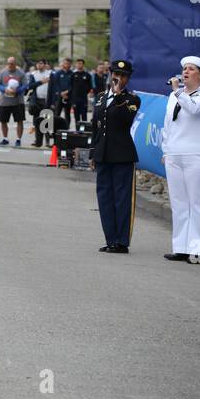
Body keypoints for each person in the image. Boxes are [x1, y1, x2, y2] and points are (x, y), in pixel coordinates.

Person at [161, 55, 200, 264]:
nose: (185, 71)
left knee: (198, 204)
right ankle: (181, 247)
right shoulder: (174, 96)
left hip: (199, 155)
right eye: (184, 68)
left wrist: (178, 91)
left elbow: (195, 110)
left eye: (191, 69)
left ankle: (197, 249)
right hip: (175, 155)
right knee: (179, 203)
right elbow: (168, 126)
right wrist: (166, 150)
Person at [90, 58, 140, 254]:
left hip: (122, 155)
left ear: (127, 79)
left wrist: (119, 96)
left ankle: (122, 241)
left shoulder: (131, 99)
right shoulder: (102, 97)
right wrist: (93, 153)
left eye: (123, 76)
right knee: (104, 198)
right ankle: (110, 239)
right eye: (115, 74)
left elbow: (127, 119)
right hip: (103, 154)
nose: (118, 78)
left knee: (122, 199)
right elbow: (96, 126)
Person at [0, 57, 26, 146]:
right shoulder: (3, 72)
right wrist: (4, 89)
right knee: (3, 121)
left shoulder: (20, 73)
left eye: (12, 63)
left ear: (15, 64)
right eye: (8, 63)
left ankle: (18, 139)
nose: (10, 65)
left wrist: (17, 90)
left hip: (18, 101)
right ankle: (5, 138)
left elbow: (25, 85)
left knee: (19, 121)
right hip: (4, 101)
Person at [27, 59, 53, 147]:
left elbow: (54, 86)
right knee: (37, 121)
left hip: (46, 100)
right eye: (37, 63)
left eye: (41, 63)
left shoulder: (50, 74)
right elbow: (30, 86)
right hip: (37, 100)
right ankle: (38, 141)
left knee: (47, 121)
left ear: (45, 65)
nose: (39, 65)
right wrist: (41, 82)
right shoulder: (34, 74)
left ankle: (47, 142)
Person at [69, 58, 93, 131]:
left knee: (84, 116)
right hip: (75, 99)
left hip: (83, 99)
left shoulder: (87, 75)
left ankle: (84, 132)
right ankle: (77, 131)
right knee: (76, 117)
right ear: (76, 65)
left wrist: (86, 92)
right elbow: (71, 86)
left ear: (83, 65)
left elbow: (90, 87)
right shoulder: (73, 75)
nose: (79, 65)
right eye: (78, 63)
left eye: (81, 63)